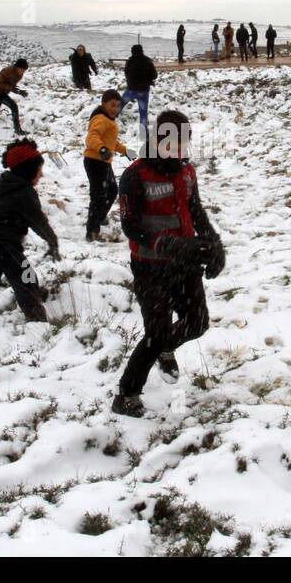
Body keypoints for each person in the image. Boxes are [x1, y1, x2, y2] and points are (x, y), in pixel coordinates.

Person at [112, 110, 224, 417]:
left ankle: (165, 348)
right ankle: (127, 394)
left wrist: (215, 243)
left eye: (185, 142)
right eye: (174, 143)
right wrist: (164, 243)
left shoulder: (186, 172)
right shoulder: (135, 175)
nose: (180, 149)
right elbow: (129, 226)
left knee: (197, 323)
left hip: (185, 263)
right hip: (150, 267)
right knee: (156, 332)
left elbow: (196, 210)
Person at [0, 139, 60, 322]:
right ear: (28, 170)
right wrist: (52, 241)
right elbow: (38, 221)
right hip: (3, 245)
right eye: (39, 170)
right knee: (26, 278)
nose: (41, 175)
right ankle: (38, 321)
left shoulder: (1, 184)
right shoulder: (24, 192)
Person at [83, 90, 135, 241]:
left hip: (104, 162)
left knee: (112, 190)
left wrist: (126, 151)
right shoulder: (100, 119)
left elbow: (112, 142)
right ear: (103, 104)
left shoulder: (109, 120)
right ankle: (92, 231)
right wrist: (102, 149)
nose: (115, 109)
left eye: (118, 106)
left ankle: (99, 217)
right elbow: (91, 138)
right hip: (95, 161)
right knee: (98, 196)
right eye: (112, 105)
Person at [121, 43, 157, 138]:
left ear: (132, 52)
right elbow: (155, 75)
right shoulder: (147, 61)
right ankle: (144, 133)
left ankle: (111, 116)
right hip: (143, 91)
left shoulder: (130, 61)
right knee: (143, 112)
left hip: (131, 89)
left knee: (120, 104)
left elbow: (126, 73)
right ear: (142, 50)